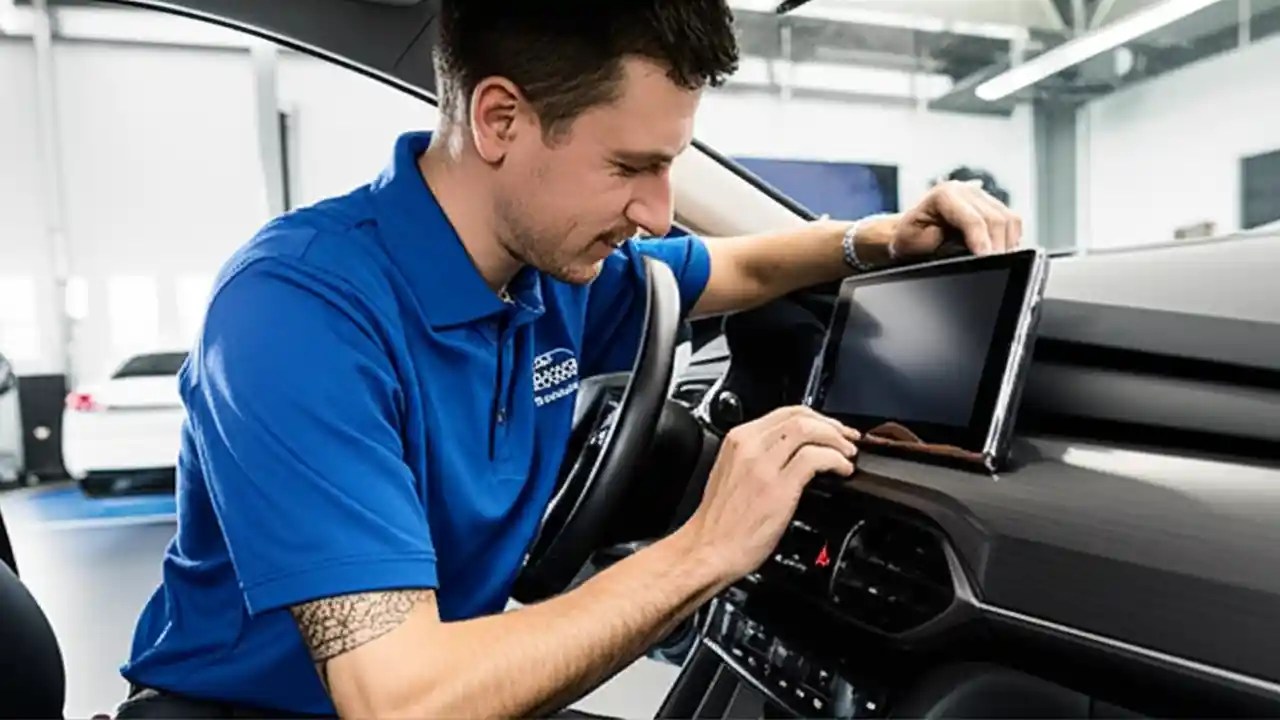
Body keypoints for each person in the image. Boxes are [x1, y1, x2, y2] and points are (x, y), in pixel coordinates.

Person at [116, 2, 1022, 717]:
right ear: (501, 119)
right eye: (631, 167)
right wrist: (710, 545)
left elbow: (737, 262)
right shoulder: (299, 311)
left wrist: (878, 240)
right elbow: (401, 701)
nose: (659, 213)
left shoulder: (558, 271)